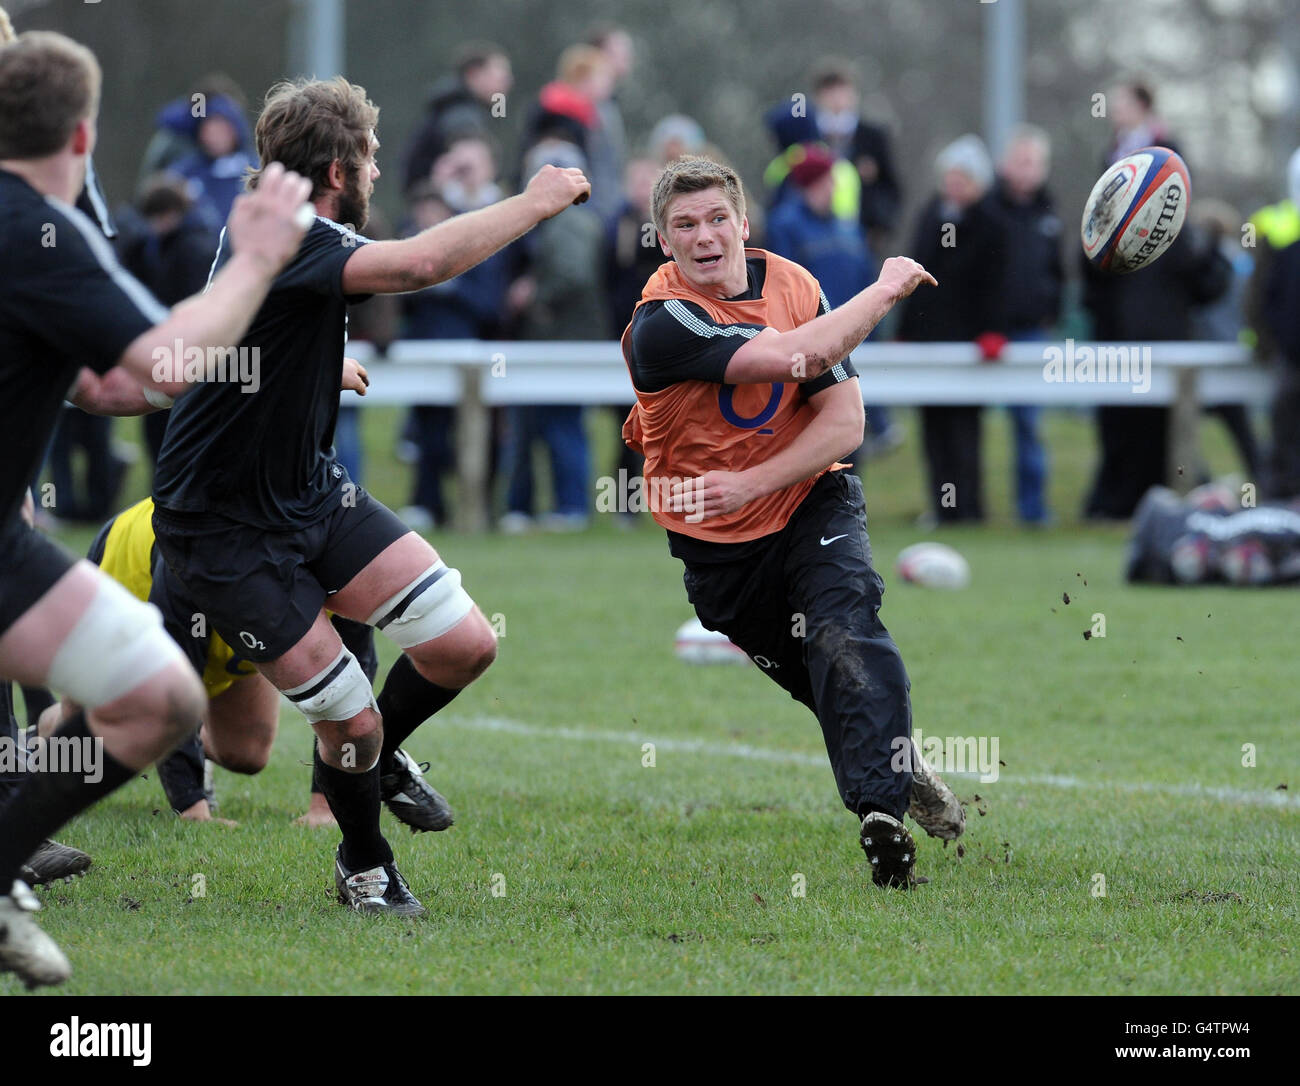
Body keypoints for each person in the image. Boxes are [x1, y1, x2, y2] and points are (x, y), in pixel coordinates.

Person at [149, 76, 589, 918]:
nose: (381, 168)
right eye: (373, 155)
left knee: (463, 644)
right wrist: (531, 202)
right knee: (345, 722)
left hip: (306, 492)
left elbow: (256, 331)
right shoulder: (298, 236)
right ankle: (365, 864)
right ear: (344, 168)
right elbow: (422, 263)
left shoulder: (277, 226)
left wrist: (317, 369)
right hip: (223, 526)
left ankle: (378, 762)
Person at [0, 28, 314, 987]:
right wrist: (257, 260)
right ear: (87, 137)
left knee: (160, 696)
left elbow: (102, 387)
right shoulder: (39, 234)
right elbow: (167, 363)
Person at [620, 155, 961, 890]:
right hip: (718, 552)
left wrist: (754, 481)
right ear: (663, 240)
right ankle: (902, 765)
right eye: (685, 224)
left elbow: (844, 423)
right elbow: (799, 355)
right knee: (825, 679)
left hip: (811, 498)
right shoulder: (664, 321)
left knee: (848, 628)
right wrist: (888, 284)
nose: (705, 236)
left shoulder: (794, 284)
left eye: (718, 219)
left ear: (744, 224)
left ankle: (881, 815)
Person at [897, 135, 1009, 524]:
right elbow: (913, 275)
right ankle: (943, 508)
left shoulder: (991, 221)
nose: (954, 184)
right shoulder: (933, 215)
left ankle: (969, 510)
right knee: (934, 429)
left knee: (964, 430)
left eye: (962, 177)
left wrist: (993, 331)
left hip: (969, 343)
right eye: (950, 176)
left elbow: (998, 283)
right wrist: (905, 328)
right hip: (930, 341)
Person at [500, 139, 606, 533]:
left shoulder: (570, 221)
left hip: (564, 340)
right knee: (545, 425)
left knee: (562, 425)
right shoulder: (570, 221)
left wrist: (533, 294)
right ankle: (546, 506)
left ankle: (571, 507)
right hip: (558, 338)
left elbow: (573, 274)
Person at [991, 125, 1064, 526]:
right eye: (1020, 160)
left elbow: (1056, 272)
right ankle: (965, 507)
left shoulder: (1048, 215)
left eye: (1034, 162)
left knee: (1030, 424)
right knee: (972, 422)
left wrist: (1050, 309)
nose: (1026, 169)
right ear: (1005, 164)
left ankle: (1032, 510)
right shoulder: (989, 210)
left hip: (1033, 333)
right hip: (991, 336)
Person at [402, 41, 512, 194]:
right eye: (500, 77)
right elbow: (465, 146)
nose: (507, 83)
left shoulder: (457, 106)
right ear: (474, 74)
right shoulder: (461, 111)